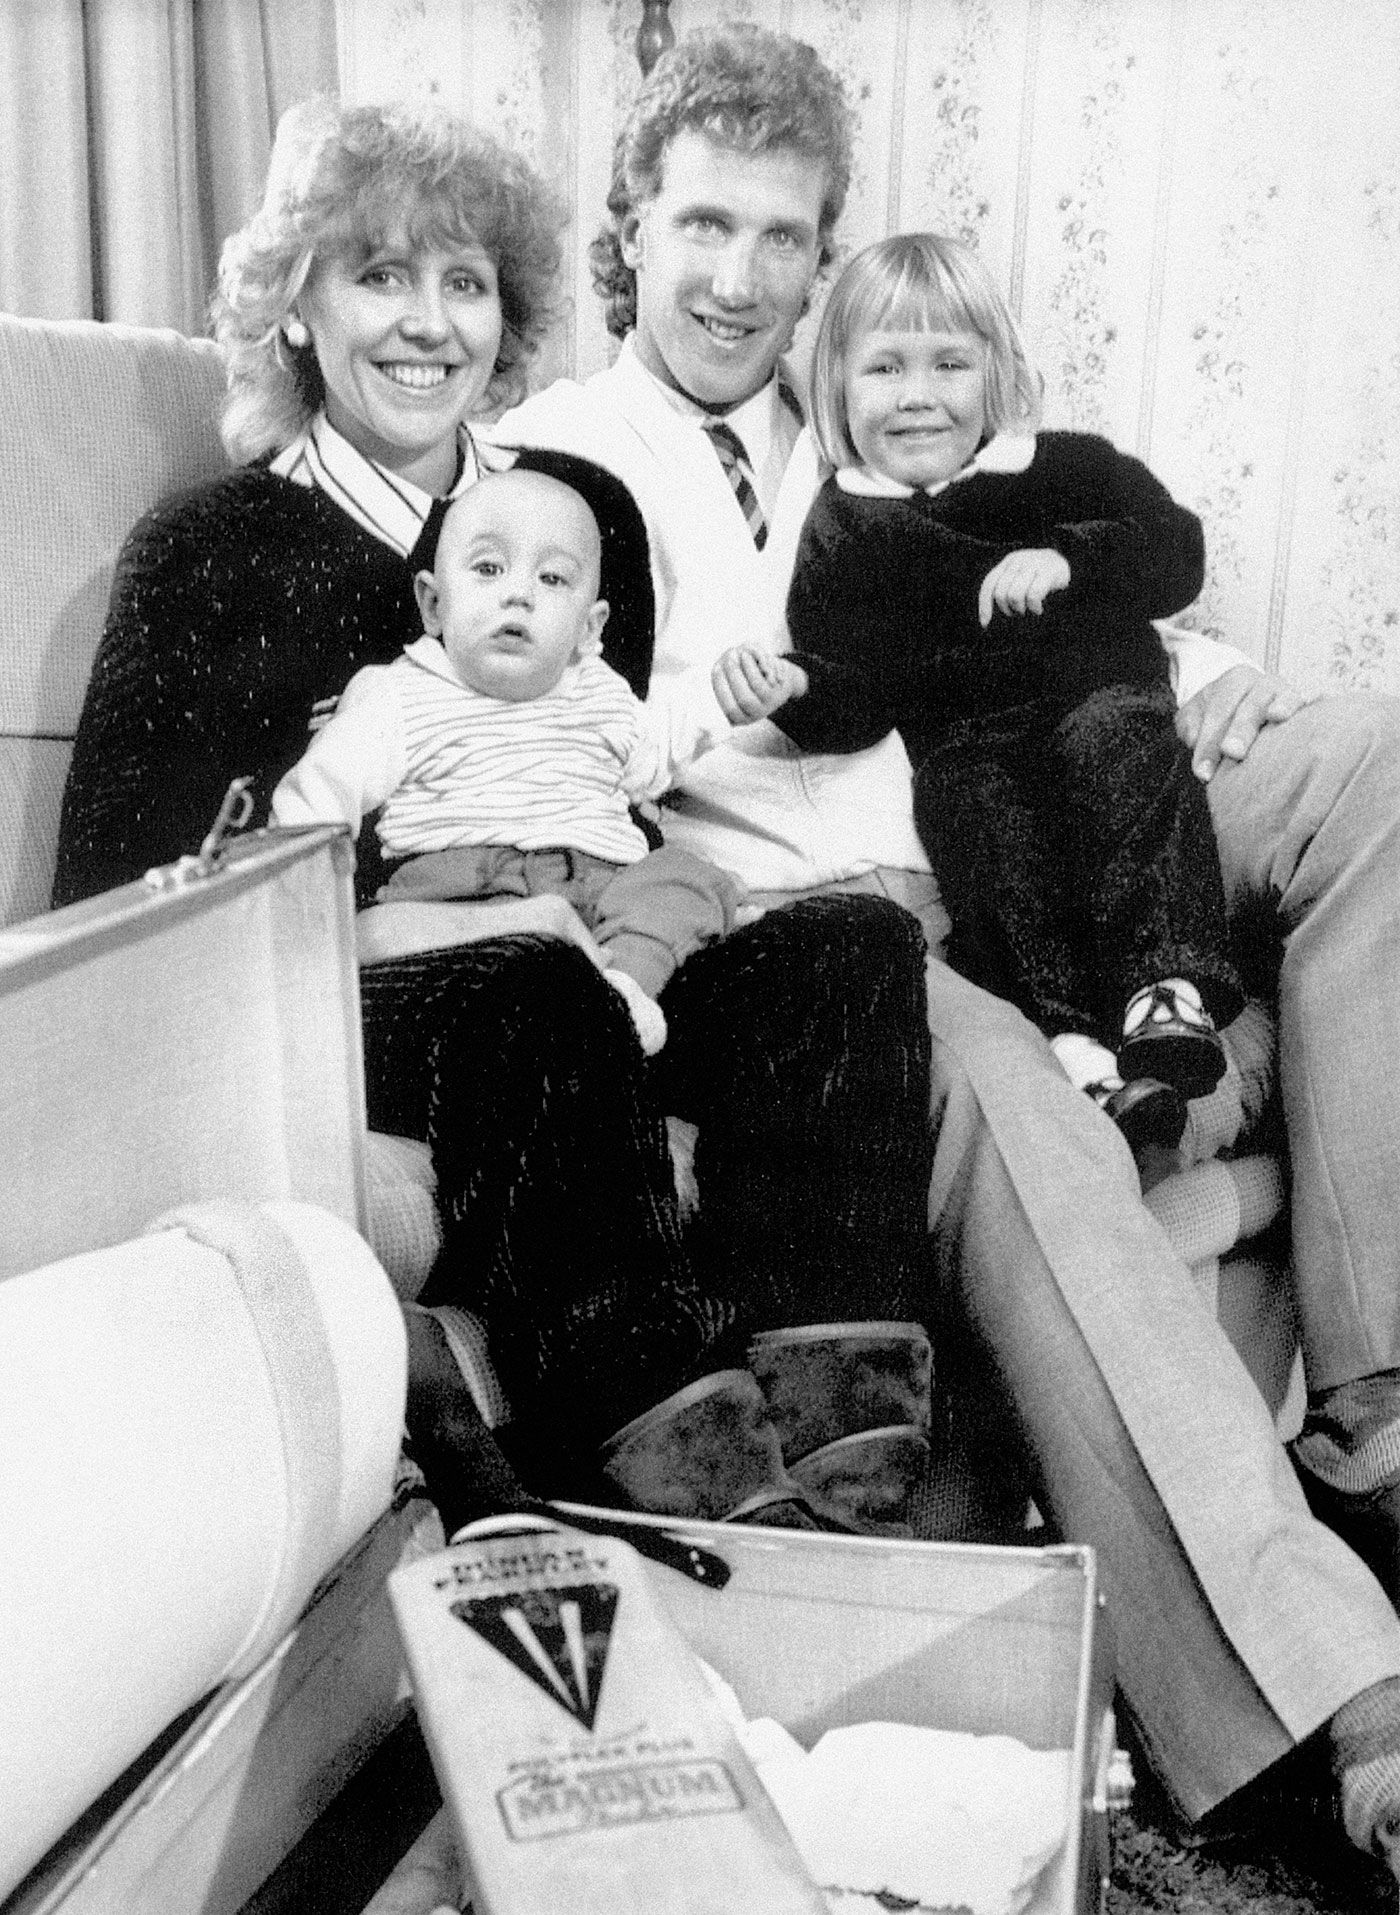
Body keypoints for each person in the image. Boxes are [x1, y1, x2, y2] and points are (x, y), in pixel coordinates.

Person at [497, 17, 1400, 1879]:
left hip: (1016, 816)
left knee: (1377, 764)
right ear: (629, 236)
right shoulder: (562, 465)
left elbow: (1033, 547)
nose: (741, 277)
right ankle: (1346, 1701)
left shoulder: (859, 404)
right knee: (1011, 1095)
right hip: (823, 923)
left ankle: (1381, 1413)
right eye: (702, 228)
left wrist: (1202, 679)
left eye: (783, 236)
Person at [52, 96, 934, 1538]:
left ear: (509, 314)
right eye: (379, 274)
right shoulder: (208, 551)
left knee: (844, 952)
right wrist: (446, 915)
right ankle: (671, 1440)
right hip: (358, 990)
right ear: (298, 308)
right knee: (532, 981)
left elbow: (612, 782)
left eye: (464, 282)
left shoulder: (579, 514)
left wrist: (629, 908)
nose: (428, 323)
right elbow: (132, 922)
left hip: (572, 951)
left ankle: (852, 1457)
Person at [717, 231, 1244, 1151]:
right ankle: (1079, 1049)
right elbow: (859, 692)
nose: (918, 394)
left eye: (949, 364)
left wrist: (1070, 557)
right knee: (970, 818)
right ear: (838, 387)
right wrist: (792, 686)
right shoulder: (846, 524)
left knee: (1115, 750)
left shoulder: (1062, 467)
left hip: (1098, 693)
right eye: (884, 367)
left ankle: (1167, 989)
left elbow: (1176, 550)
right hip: (968, 743)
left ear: (994, 374)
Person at [272, 466, 743, 1054]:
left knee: (690, 876)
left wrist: (722, 706)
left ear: (588, 627)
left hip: (604, 885)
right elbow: (320, 792)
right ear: (434, 604)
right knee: (510, 970)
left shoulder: (599, 690)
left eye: (551, 579)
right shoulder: (398, 693)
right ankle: (611, 990)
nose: (518, 593)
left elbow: (653, 756)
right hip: (467, 887)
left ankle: (626, 981)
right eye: (489, 569)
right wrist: (301, 889)